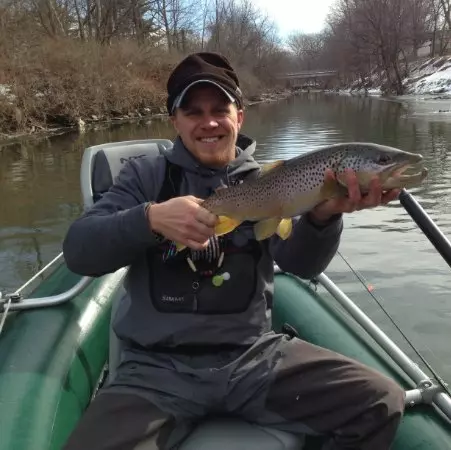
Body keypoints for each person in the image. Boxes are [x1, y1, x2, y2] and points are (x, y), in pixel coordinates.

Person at [62, 52, 405, 450]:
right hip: (156, 370)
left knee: (380, 401)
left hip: (253, 360)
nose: (208, 122)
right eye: (193, 112)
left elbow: (302, 265)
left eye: (220, 109)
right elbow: (79, 251)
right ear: (175, 121)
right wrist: (149, 219)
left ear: (239, 116)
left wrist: (323, 216)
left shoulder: (273, 181)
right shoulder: (144, 177)